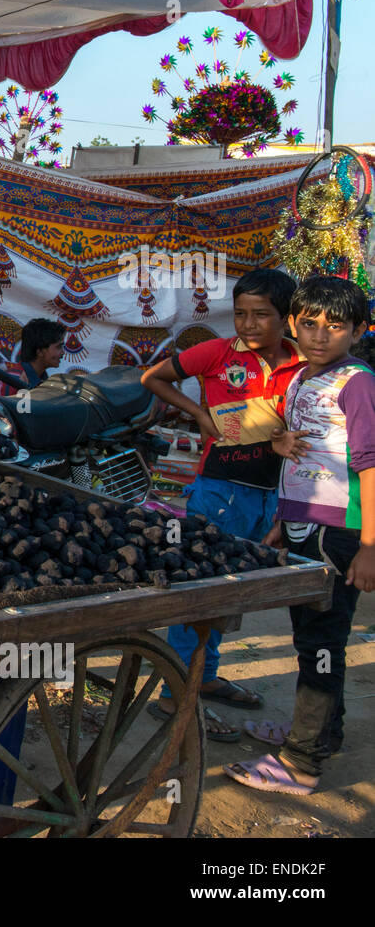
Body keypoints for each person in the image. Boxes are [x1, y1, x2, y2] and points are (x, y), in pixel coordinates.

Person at [225, 276, 375, 794]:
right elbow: (309, 457)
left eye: (335, 326)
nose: (319, 335)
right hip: (303, 525)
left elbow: (372, 465)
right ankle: (317, 735)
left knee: (323, 644)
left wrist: (372, 547)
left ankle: (302, 764)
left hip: (341, 533)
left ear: (359, 329)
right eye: (309, 324)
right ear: (294, 323)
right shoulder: (303, 379)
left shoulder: (356, 382)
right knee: (311, 640)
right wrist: (283, 522)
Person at [140, 268, 303, 741]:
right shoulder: (217, 352)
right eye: (240, 315)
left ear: (287, 318)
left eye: (261, 316)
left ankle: (204, 677)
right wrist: (198, 413)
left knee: (229, 588)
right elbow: (154, 377)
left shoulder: (300, 361)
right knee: (199, 584)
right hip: (218, 488)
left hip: (270, 494)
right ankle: (174, 691)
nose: (248, 325)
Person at [0, 318, 65, 397]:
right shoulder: (10, 381)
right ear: (40, 351)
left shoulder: (44, 381)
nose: (63, 352)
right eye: (59, 347)